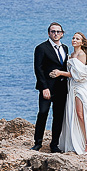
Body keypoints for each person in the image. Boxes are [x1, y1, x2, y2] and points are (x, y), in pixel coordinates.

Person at [32, 22, 69, 152]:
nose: (55, 34)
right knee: (43, 113)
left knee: (58, 117)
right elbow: (38, 69)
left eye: (58, 32)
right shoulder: (41, 48)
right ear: (49, 33)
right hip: (47, 88)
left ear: (62, 34)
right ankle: (37, 143)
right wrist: (44, 88)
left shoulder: (65, 48)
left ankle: (54, 144)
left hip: (62, 89)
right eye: (53, 31)